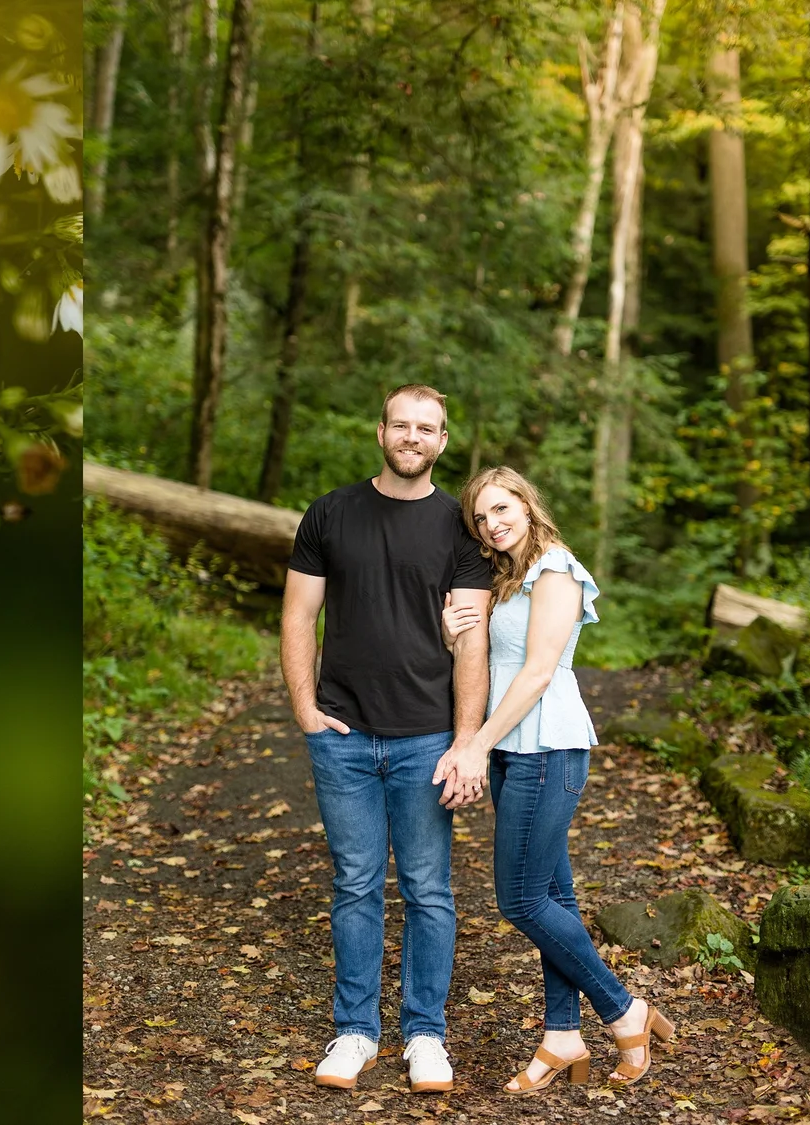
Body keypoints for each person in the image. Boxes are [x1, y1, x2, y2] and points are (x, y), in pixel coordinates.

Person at [281, 384, 493, 1094]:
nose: (412, 437)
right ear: (380, 433)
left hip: (426, 738)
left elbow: (472, 641)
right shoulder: (330, 513)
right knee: (356, 883)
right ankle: (356, 1031)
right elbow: (298, 614)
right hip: (342, 735)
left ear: (442, 440)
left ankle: (425, 1034)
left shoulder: (461, 528)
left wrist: (465, 740)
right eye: (401, 425)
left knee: (429, 889)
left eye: (426, 428)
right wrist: (305, 708)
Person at [437, 465, 674, 1093]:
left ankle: (624, 1009)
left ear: (526, 503)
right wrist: (452, 636)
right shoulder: (506, 577)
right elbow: (494, 658)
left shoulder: (557, 569)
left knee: (520, 900)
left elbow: (540, 670)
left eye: (501, 508)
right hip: (513, 749)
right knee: (554, 898)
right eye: (480, 518)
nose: (492, 524)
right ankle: (563, 1035)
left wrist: (476, 744)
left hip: (547, 746)